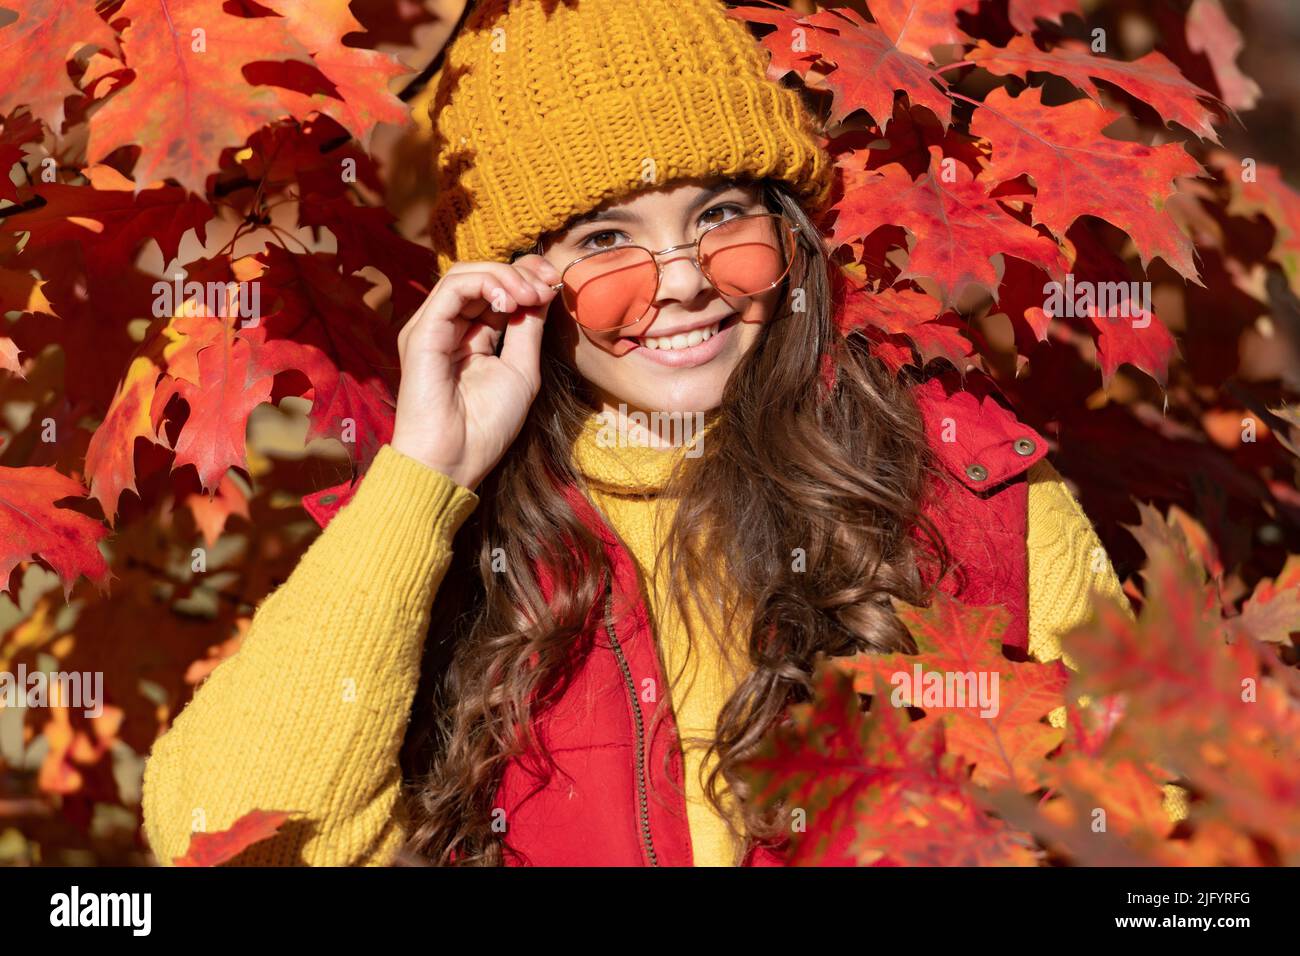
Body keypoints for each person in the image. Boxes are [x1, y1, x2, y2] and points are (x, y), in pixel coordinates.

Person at [141, 0, 1160, 867]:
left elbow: (1155, 821)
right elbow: (223, 842)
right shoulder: (445, 556)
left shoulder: (963, 489)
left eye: (719, 217)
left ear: (788, 231)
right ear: (515, 289)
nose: (681, 282)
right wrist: (424, 473)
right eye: (604, 239)